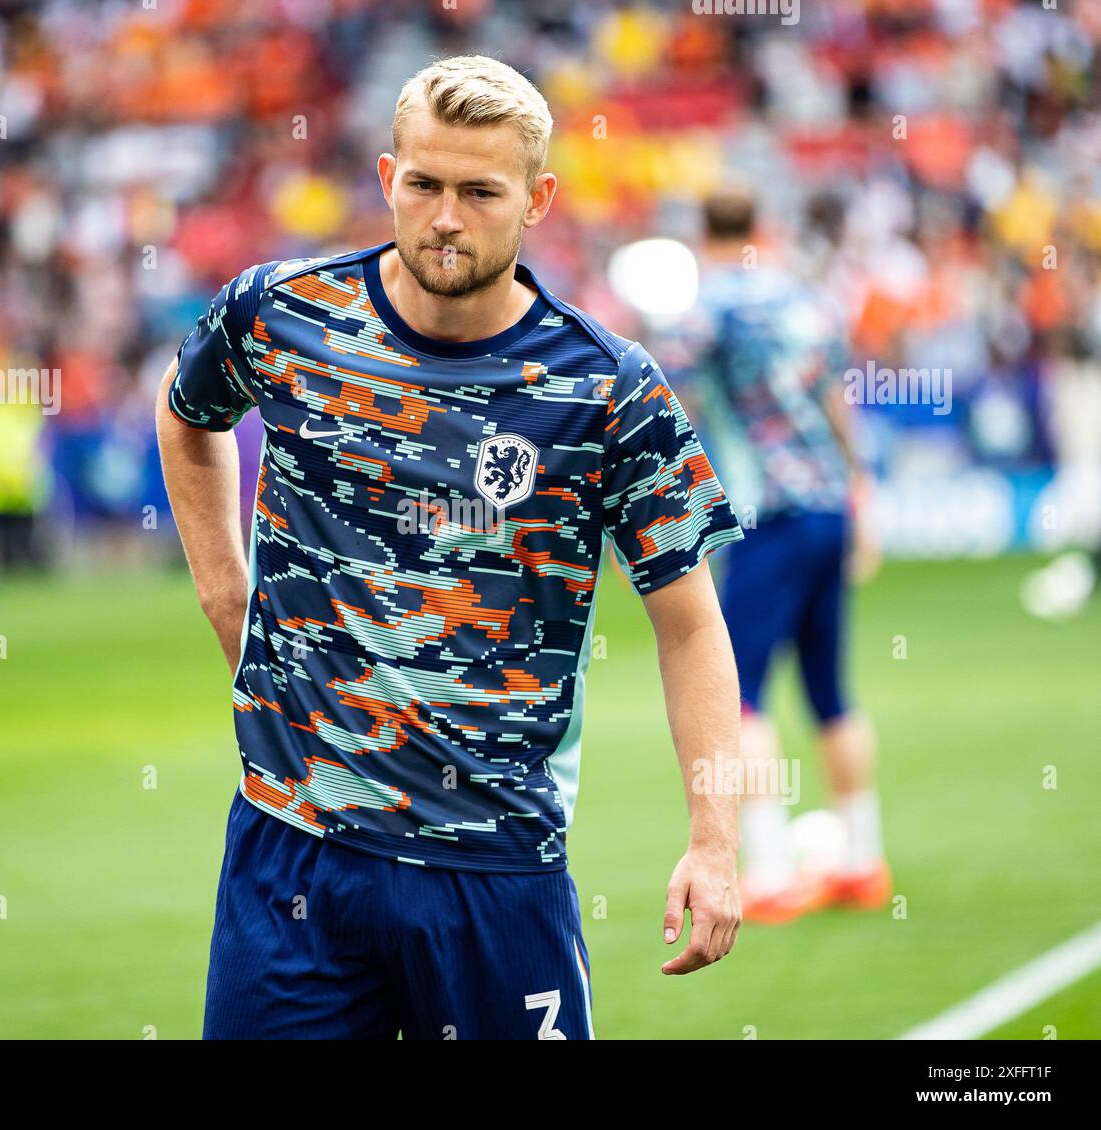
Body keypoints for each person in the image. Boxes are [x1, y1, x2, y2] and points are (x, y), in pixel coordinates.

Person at [156, 55, 746, 1040]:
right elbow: (187, 416)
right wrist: (231, 602)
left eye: (480, 191)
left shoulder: (609, 389)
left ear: (537, 199)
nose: (444, 216)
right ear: (387, 179)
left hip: (495, 870)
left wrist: (715, 837)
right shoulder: (282, 314)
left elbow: (689, 629)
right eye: (424, 184)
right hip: (292, 849)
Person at [676, 188, 891, 925]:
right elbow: (838, 406)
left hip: (764, 514)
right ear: (761, 228)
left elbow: (683, 414)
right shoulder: (809, 303)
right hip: (829, 507)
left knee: (741, 693)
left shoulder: (705, 314)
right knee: (833, 692)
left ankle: (768, 869)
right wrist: (862, 493)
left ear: (703, 230)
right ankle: (864, 859)